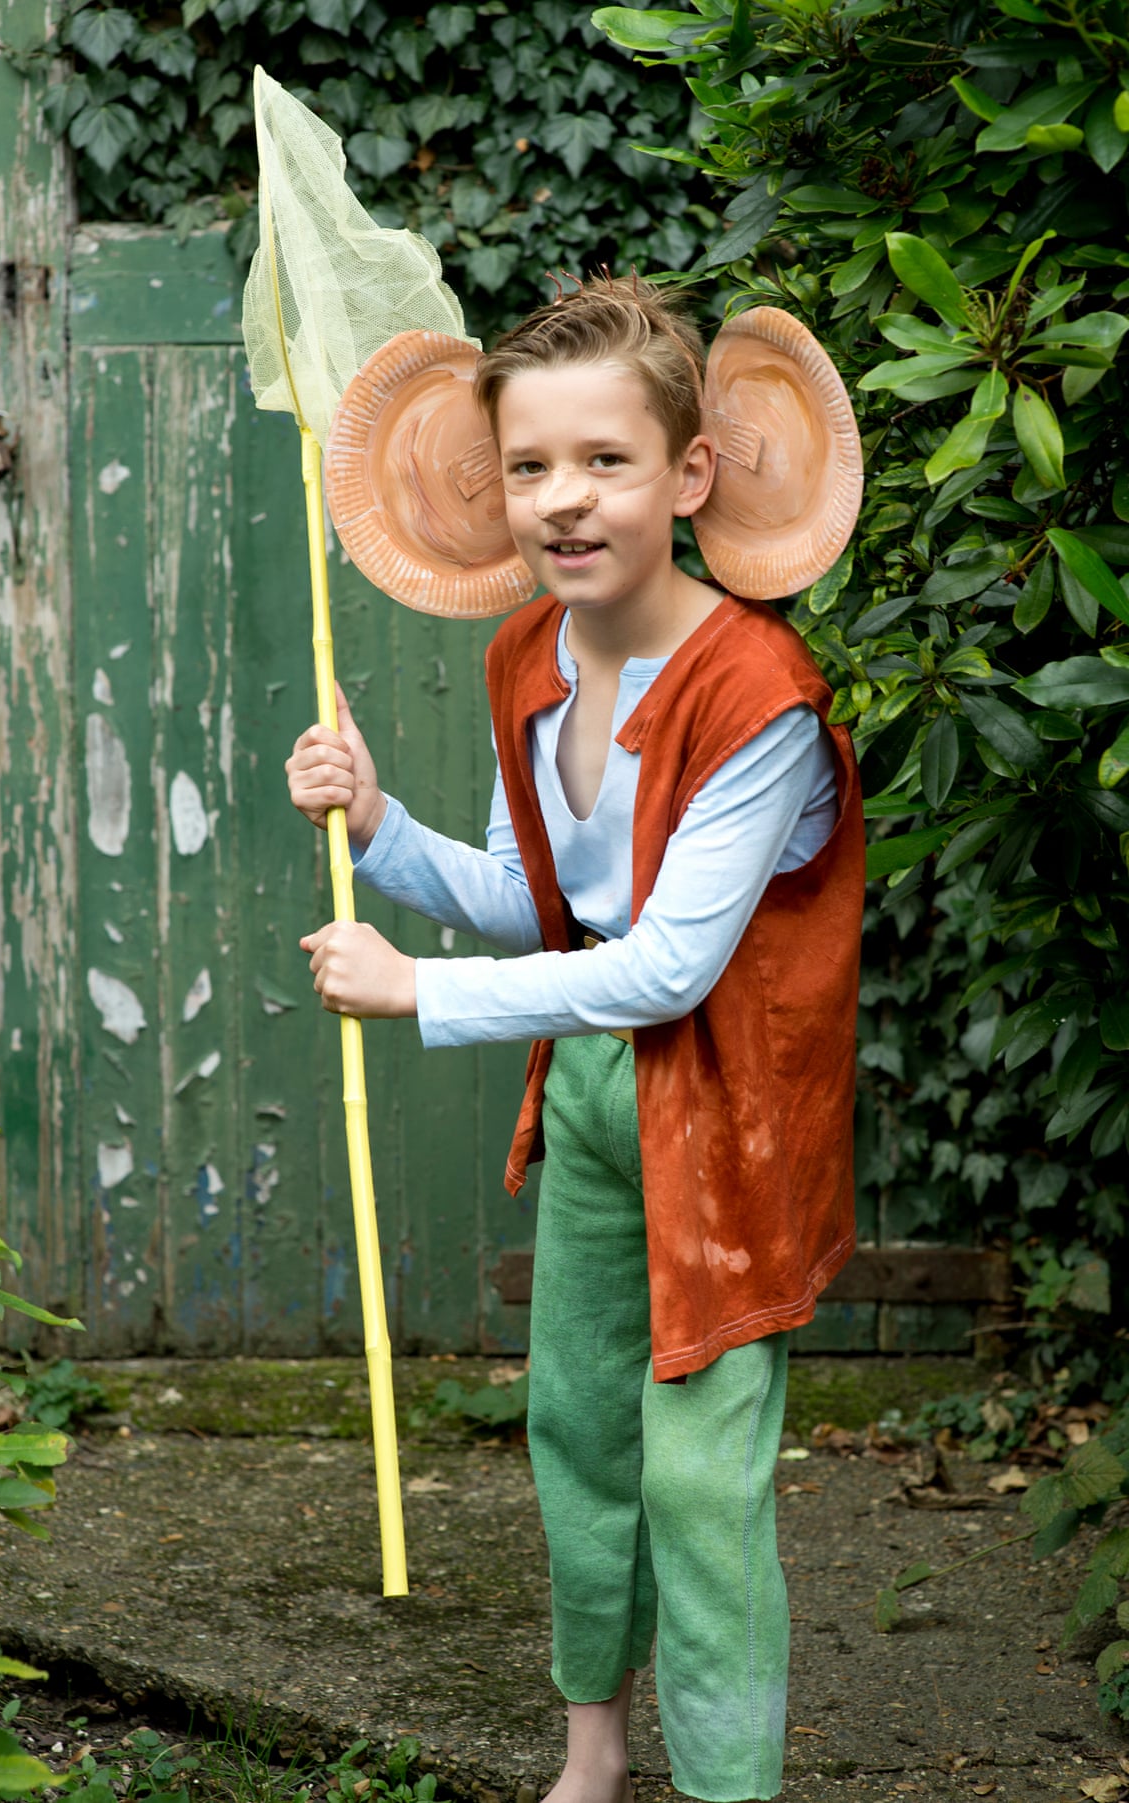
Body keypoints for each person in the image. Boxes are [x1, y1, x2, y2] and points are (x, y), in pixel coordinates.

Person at [286, 278, 865, 1803]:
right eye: (530, 465)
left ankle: (729, 1791)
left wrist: (420, 995)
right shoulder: (527, 657)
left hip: (728, 1117)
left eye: (607, 460)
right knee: (581, 1433)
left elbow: (668, 968)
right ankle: (592, 1752)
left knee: (702, 1484)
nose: (564, 499)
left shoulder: (759, 695)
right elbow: (532, 900)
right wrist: (379, 823)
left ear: (689, 475)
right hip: (600, 1095)